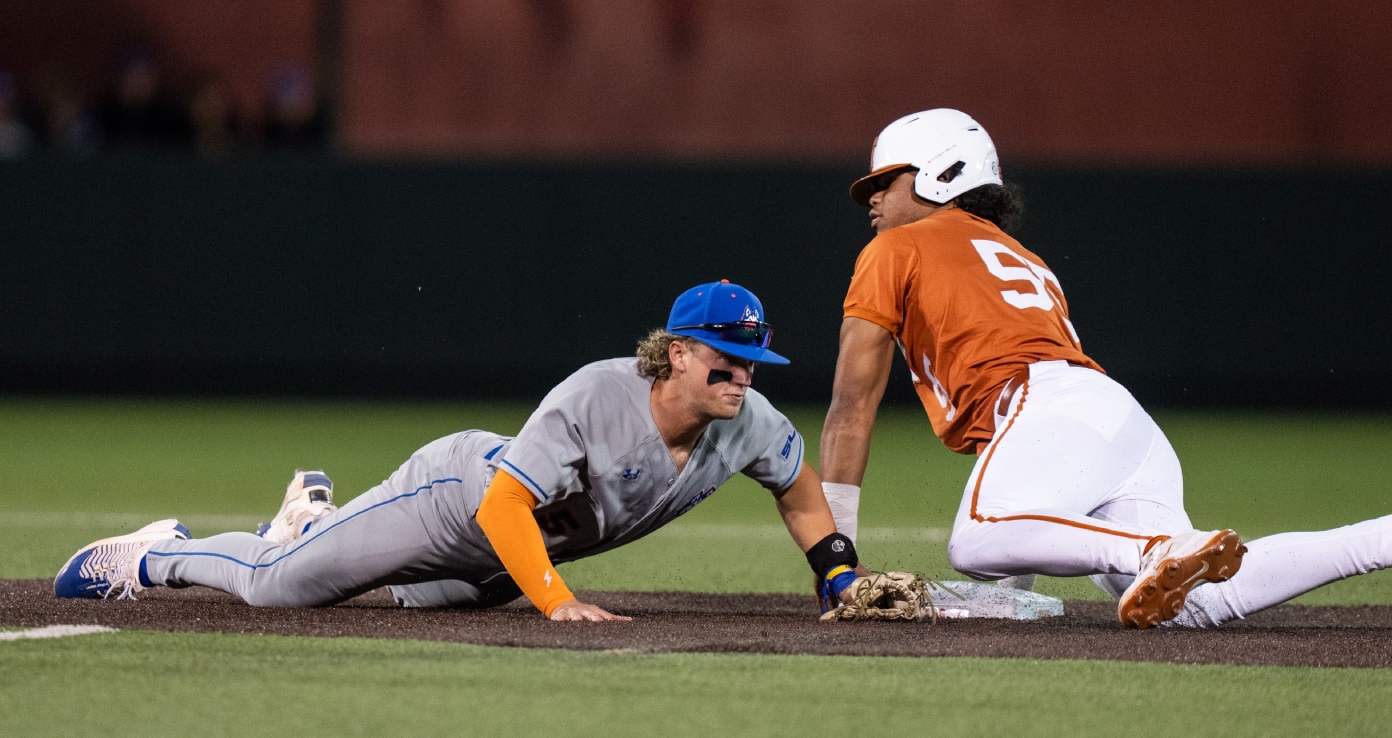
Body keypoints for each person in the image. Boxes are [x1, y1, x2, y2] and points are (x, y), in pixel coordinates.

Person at [816, 108, 1392, 632]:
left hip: (1046, 405)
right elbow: (1031, 462)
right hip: (1110, 420)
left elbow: (851, 405)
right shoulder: (1022, 257)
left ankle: (1153, 550)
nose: (870, 199)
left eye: (884, 180)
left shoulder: (896, 249)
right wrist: (1003, 602)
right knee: (1197, 606)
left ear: (940, 173)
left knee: (976, 539)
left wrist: (838, 559)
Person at [56, 281, 862, 621]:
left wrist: (836, 572)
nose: (743, 373)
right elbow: (503, 503)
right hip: (456, 500)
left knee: (415, 604)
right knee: (280, 592)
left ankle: (312, 521)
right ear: (678, 352)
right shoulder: (596, 394)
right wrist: (555, 601)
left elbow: (797, 487)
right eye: (726, 355)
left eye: (752, 359)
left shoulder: (748, 416)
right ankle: (160, 556)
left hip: (502, 555)